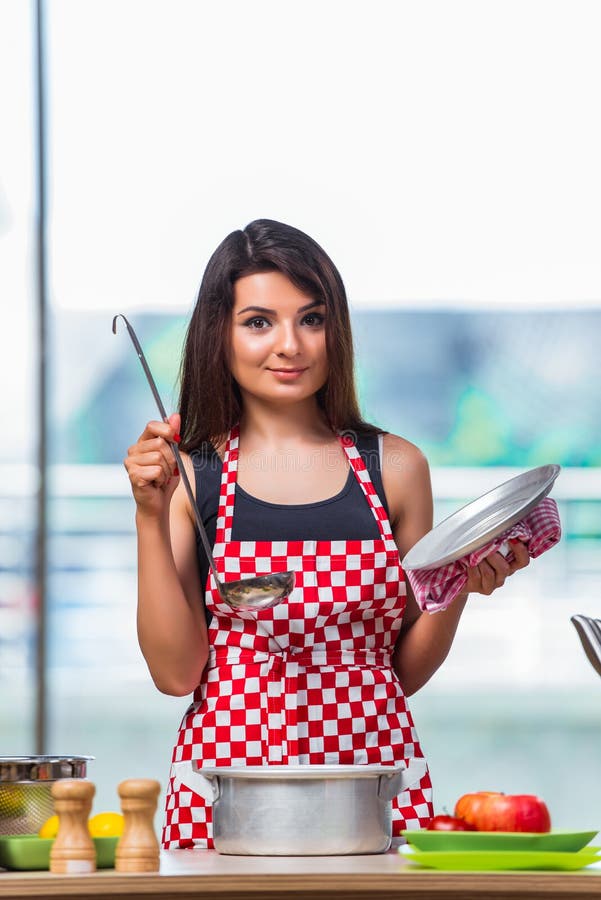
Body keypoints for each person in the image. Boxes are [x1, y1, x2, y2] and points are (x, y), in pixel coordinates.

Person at [124, 219, 530, 849]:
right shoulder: (190, 476)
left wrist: (457, 587)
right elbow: (177, 674)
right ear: (219, 336)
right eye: (259, 322)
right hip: (227, 784)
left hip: (373, 772)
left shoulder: (395, 469)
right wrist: (150, 515)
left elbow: (401, 669)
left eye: (310, 319)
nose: (290, 344)